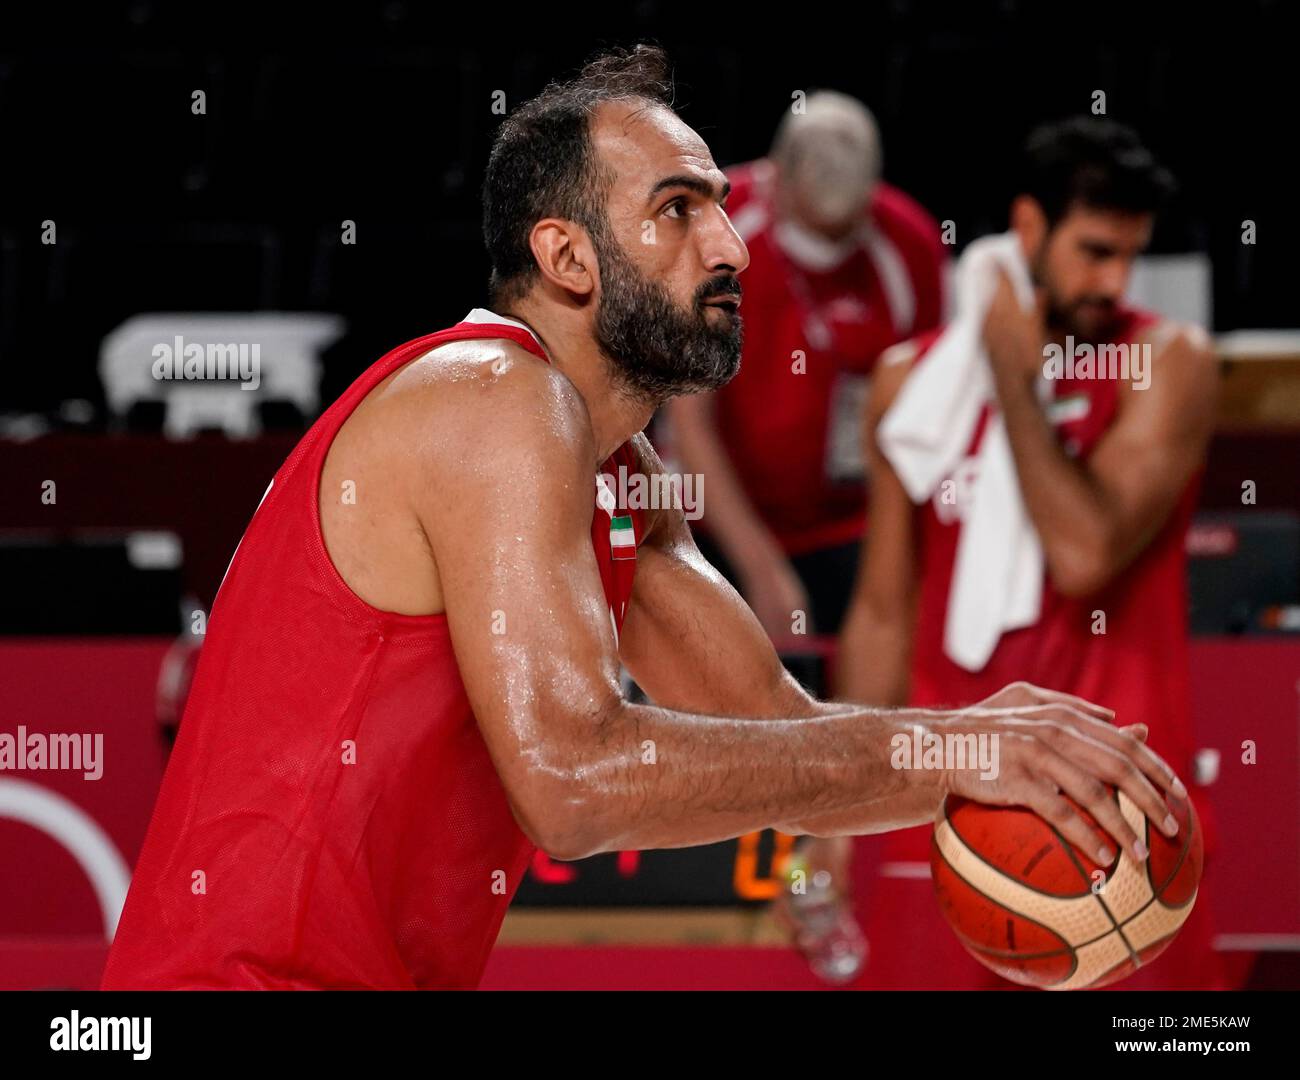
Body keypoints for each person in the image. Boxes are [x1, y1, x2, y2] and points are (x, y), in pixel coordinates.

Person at [101, 51, 1186, 990]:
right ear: (567, 257)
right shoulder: (492, 395)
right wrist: (956, 748)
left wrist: (993, 747)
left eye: (716, 202)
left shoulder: (619, 471)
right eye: (677, 210)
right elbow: (575, 781)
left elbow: (775, 730)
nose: (732, 247)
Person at [833, 117, 1224, 989]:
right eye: (1094, 251)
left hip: (1120, 813)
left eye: (1130, 255)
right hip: (946, 802)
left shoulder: (1166, 364)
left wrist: (1016, 377)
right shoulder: (913, 384)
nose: (1112, 280)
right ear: (1030, 227)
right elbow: (883, 609)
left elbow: (1083, 552)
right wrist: (828, 827)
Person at [666, 92, 945, 637]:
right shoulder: (713, 237)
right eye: (816, 229)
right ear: (780, 182)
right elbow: (688, 422)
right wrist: (763, 570)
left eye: (842, 232)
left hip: (850, 522)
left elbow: (930, 419)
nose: (829, 249)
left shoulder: (910, 247)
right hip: (721, 518)